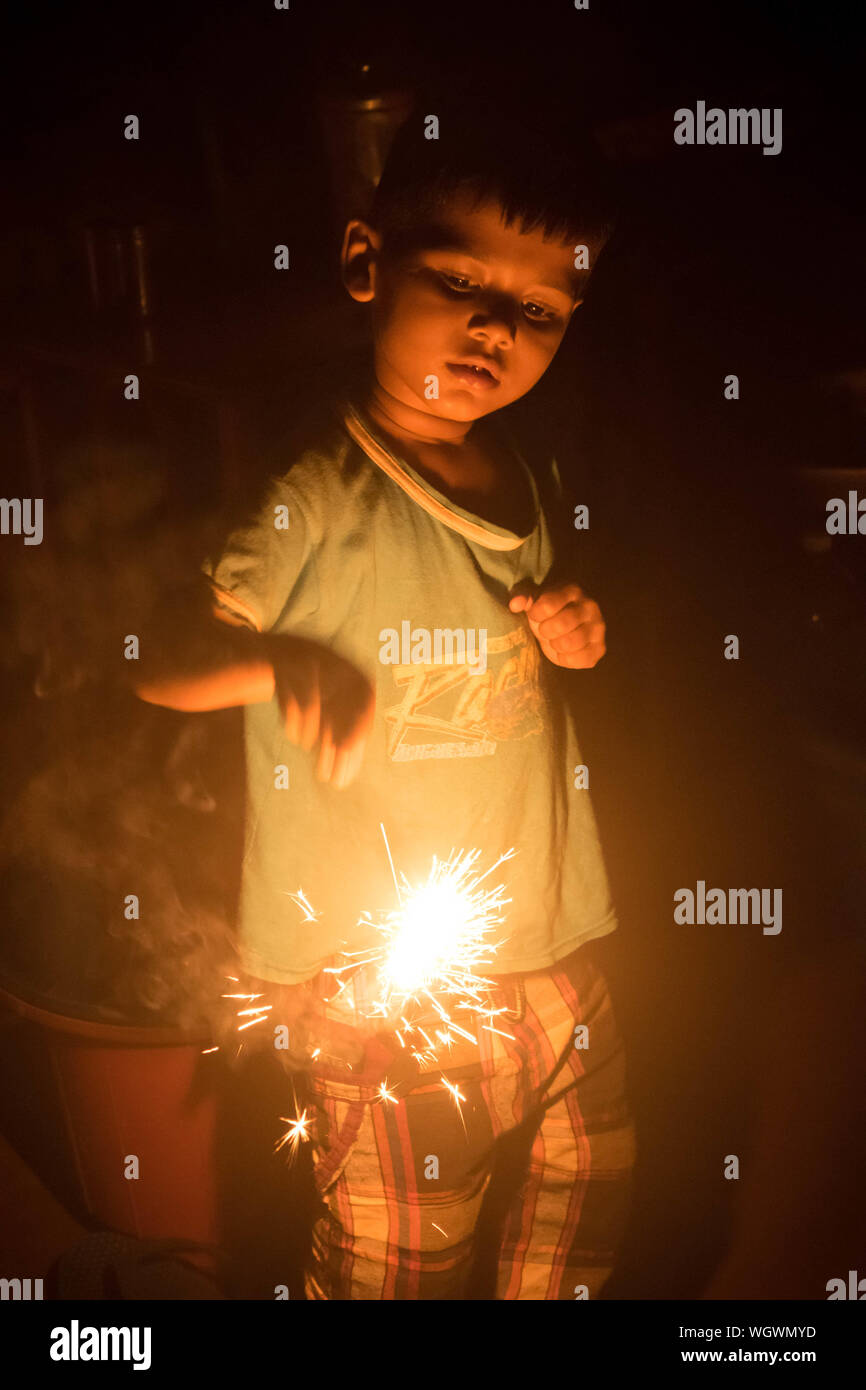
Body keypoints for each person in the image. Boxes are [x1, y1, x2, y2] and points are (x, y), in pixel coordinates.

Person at [133, 93, 636, 1300]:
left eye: (536, 312)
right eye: (462, 283)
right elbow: (158, 658)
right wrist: (279, 662)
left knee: (587, 1191)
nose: (492, 332)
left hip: (552, 929)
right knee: (398, 1248)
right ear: (366, 261)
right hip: (375, 980)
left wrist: (574, 632)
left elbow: (545, 618)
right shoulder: (315, 493)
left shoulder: (528, 466)